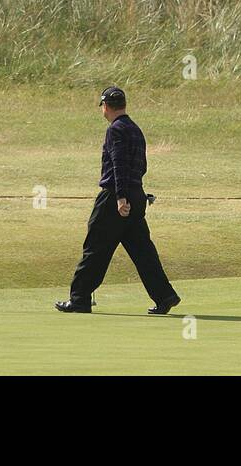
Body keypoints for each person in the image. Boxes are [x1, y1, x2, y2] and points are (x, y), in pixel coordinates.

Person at [55, 86, 181, 315]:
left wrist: (121, 197)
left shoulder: (116, 130)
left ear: (105, 106)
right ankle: (165, 296)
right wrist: (133, 193)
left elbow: (118, 163)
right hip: (136, 194)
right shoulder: (135, 129)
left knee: (95, 248)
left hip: (115, 197)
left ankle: (80, 299)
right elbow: (141, 166)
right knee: (142, 251)